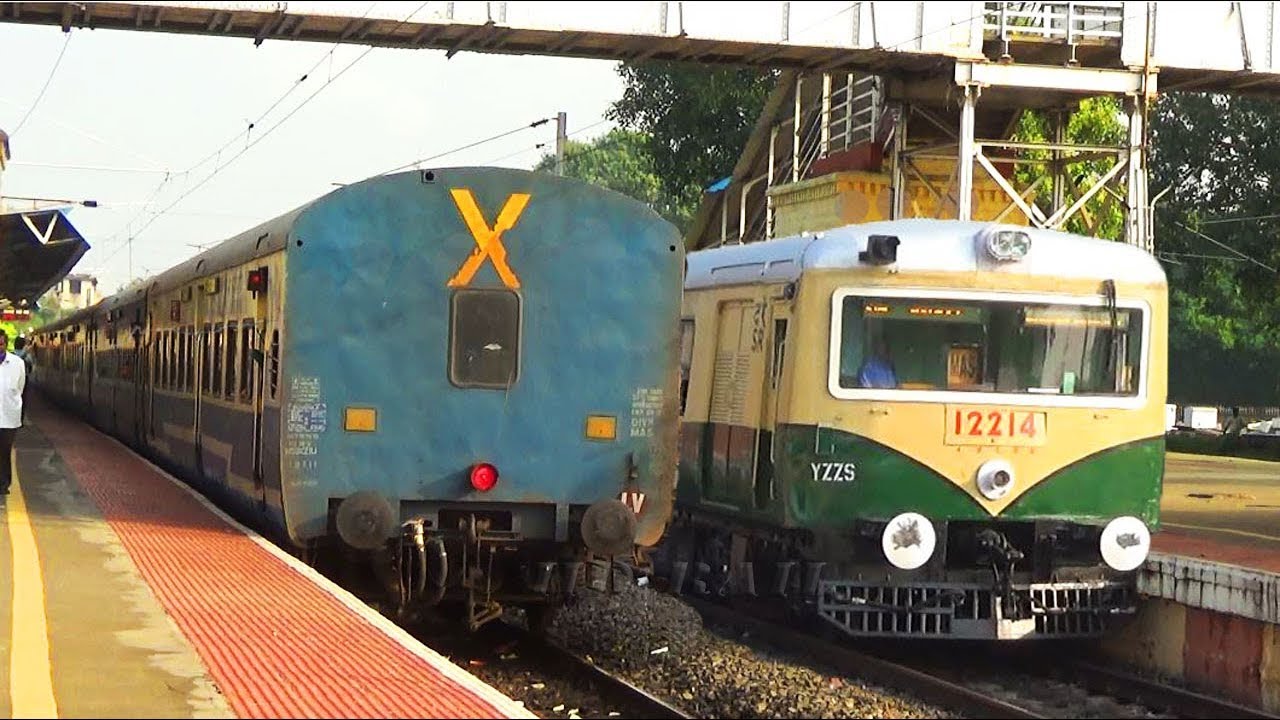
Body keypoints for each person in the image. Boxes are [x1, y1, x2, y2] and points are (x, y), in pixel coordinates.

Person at [0, 329, 27, 496]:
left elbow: (21, 387)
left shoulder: (17, 363)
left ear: (6, 343)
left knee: (4, 451)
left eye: (1, 343)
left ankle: (4, 484)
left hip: (9, 416)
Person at [13, 337, 32, 423]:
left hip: (12, 378)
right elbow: (30, 366)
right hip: (24, 378)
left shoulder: (11, 354)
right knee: (22, 398)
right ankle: (20, 418)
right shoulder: (27, 355)